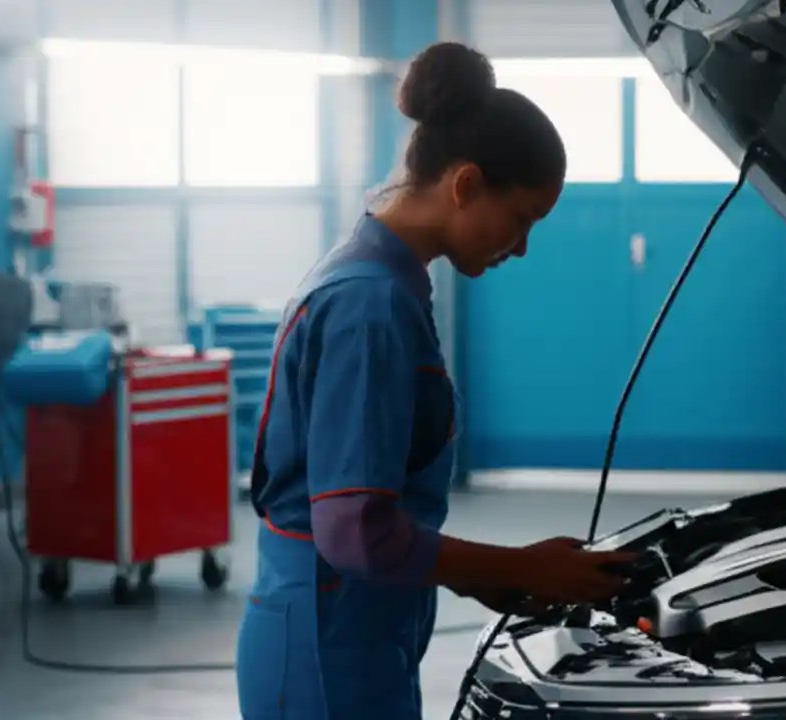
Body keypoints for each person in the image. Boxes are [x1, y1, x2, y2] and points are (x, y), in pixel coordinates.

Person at [235, 41, 637, 720]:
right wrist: (520, 568)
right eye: (521, 220)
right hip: (326, 652)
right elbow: (355, 532)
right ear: (465, 185)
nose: (522, 247)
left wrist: (481, 580)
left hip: (354, 630)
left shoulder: (385, 280)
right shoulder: (369, 304)